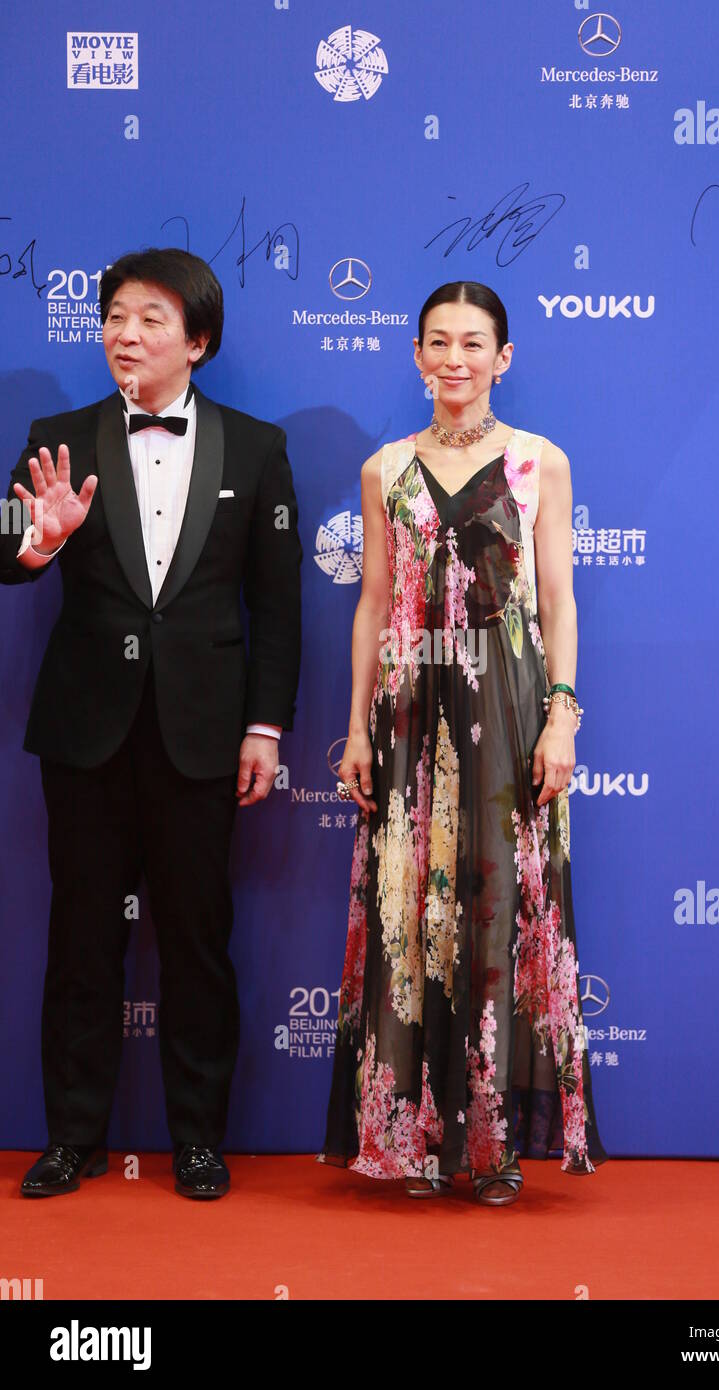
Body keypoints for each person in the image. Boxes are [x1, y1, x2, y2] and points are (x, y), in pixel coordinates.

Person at [0, 247, 302, 1199]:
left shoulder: (257, 448)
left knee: (198, 942)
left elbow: (278, 607)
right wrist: (33, 543)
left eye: (152, 320)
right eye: (115, 316)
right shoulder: (59, 435)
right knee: (80, 937)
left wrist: (266, 728)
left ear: (197, 342)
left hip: (204, 734)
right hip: (89, 729)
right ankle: (71, 1137)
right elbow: (8, 556)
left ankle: (200, 1140)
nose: (126, 335)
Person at [321, 280, 607, 1204]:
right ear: (415, 354)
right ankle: (415, 1135)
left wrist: (563, 713)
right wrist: (356, 727)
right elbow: (371, 605)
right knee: (412, 912)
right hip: (408, 710)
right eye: (437, 342)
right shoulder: (383, 469)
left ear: (503, 358)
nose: (455, 358)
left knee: (495, 916)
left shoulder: (539, 462)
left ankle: (492, 1145)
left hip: (510, 704)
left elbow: (559, 601)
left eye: (473, 343)